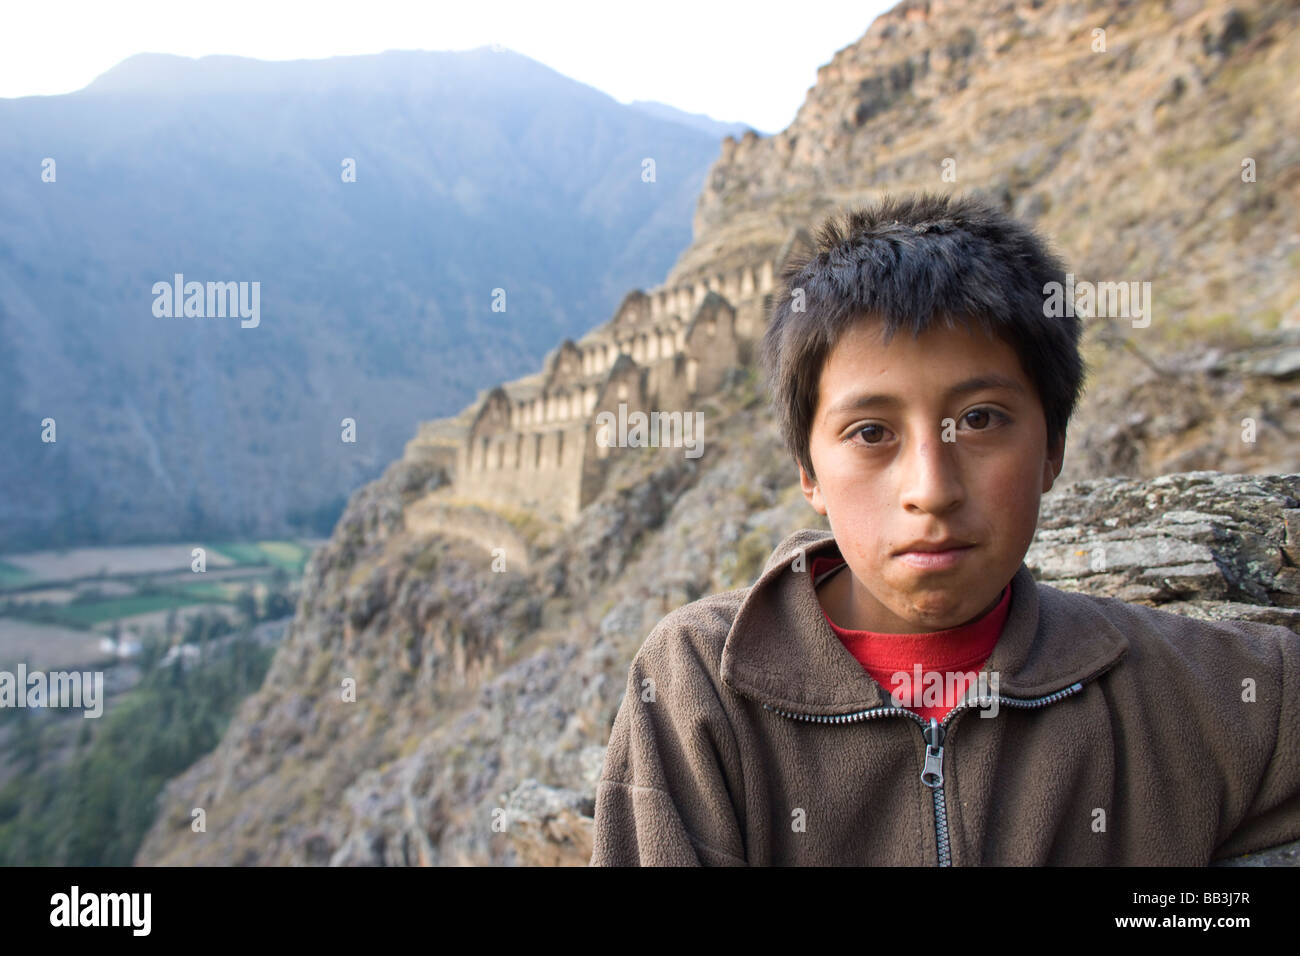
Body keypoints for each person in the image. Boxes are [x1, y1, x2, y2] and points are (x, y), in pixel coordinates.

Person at [589, 191, 1300, 865]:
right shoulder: (701, 690)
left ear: (1052, 447)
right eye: (871, 432)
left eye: (982, 420)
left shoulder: (1191, 693)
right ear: (808, 472)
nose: (931, 489)